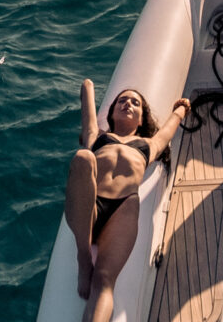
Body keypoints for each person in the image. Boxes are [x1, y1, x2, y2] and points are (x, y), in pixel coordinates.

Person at [65, 79, 190, 322]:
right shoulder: (96, 136)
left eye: (135, 103)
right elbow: (87, 95)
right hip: (90, 204)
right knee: (83, 157)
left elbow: (170, 127)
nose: (128, 104)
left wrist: (182, 107)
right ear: (111, 112)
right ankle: (83, 255)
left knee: (104, 280)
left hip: (122, 209)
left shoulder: (150, 145)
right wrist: (89, 85)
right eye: (122, 100)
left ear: (142, 119)